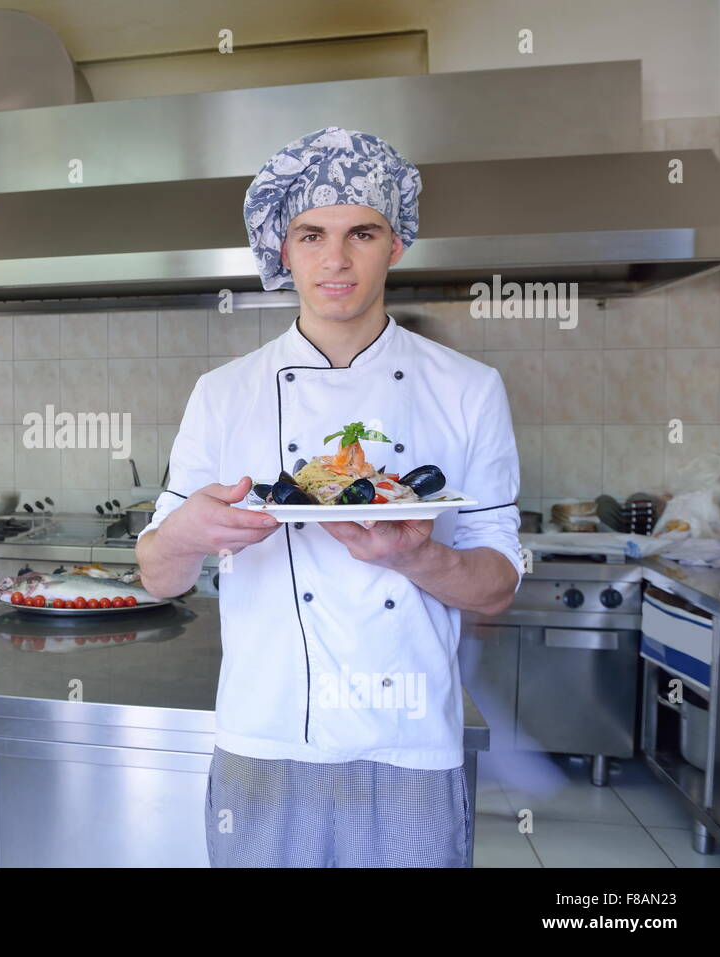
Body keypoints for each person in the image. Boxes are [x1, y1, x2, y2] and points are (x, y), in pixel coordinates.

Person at [135, 127, 522, 868]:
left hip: (410, 744)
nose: (335, 259)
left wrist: (418, 555)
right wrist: (187, 531)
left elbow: (497, 587)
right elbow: (159, 575)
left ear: (397, 243)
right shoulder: (223, 396)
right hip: (265, 737)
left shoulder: (469, 389)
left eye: (362, 233)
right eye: (311, 234)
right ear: (284, 249)